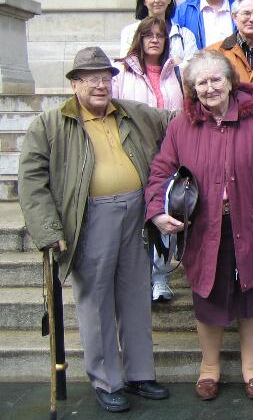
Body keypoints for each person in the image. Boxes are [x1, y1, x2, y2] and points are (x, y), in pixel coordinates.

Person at [20, 47, 172, 413]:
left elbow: (175, 121)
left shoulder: (133, 113)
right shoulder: (50, 124)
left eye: (105, 78)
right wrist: (48, 229)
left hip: (136, 214)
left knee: (136, 295)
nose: (101, 85)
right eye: (91, 79)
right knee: (96, 301)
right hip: (89, 218)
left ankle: (139, 374)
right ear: (74, 84)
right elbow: (32, 181)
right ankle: (107, 380)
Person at [145, 51, 253, 401]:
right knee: (207, 298)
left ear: (230, 82)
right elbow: (161, 172)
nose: (209, 88)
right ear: (192, 89)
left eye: (216, 79)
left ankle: (252, 368)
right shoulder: (182, 125)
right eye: (201, 82)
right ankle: (209, 368)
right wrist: (156, 211)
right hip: (203, 228)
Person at [113, 16, 184, 302]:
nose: (155, 40)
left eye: (160, 35)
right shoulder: (121, 72)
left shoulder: (176, 72)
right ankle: (136, 277)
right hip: (132, 152)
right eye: (148, 35)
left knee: (167, 211)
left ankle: (161, 277)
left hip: (169, 153)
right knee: (136, 215)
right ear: (139, 39)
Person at [119, 0, 197, 65]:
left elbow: (192, 69)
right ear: (144, 1)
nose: (157, 0)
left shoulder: (186, 35)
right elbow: (126, 65)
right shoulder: (130, 32)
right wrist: (174, 62)